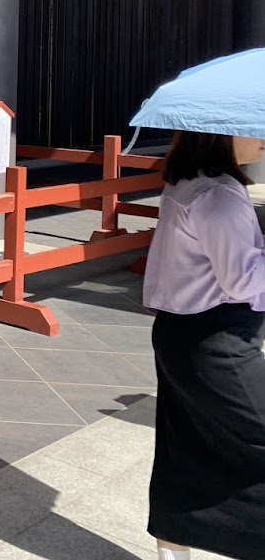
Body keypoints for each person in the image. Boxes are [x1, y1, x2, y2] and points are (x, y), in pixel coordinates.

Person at [142, 131, 265, 560]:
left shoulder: (189, 180)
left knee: (186, 441)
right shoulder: (221, 195)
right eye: (254, 128)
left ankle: (173, 545)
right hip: (217, 341)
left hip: (179, 331)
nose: (264, 138)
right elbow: (244, 279)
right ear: (218, 133)